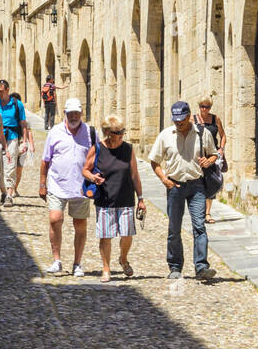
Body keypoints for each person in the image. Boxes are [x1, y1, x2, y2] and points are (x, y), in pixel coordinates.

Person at [149, 100, 219, 282]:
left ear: (189, 117)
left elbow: (214, 153)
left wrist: (209, 161)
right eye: (176, 120)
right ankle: (175, 266)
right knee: (174, 229)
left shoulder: (202, 133)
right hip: (175, 185)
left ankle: (202, 266)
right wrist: (164, 179)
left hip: (197, 185)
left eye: (182, 120)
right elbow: (154, 161)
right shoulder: (166, 135)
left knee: (199, 226)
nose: (178, 123)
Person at [82, 114, 144, 282]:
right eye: (118, 132)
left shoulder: (128, 149)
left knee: (127, 234)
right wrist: (93, 178)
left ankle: (123, 258)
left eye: (123, 131)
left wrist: (141, 198)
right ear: (108, 132)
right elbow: (85, 169)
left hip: (125, 198)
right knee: (106, 236)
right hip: (105, 199)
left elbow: (135, 175)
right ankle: (106, 268)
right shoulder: (98, 148)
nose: (122, 134)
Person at [39, 98, 93, 277]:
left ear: (81, 113)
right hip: (57, 184)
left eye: (77, 113)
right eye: (71, 114)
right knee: (55, 219)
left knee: (80, 225)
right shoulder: (55, 132)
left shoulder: (90, 132)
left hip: (81, 186)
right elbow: (45, 160)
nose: (74, 116)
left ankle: (77, 263)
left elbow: (97, 156)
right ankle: (57, 260)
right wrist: (42, 183)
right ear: (65, 113)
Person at [0, 79, 30, 204]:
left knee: (10, 165)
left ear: (7, 90)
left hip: (12, 138)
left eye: (1, 91)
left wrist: (24, 142)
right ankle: (3, 191)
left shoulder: (17, 104)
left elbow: (23, 124)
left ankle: (9, 194)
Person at [193, 96, 227, 222]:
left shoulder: (215, 119)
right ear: (199, 106)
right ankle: (199, 212)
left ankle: (207, 214)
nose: (204, 109)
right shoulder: (194, 119)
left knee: (211, 182)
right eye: (202, 106)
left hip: (212, 155)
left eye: (207, 107)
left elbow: (223, 136)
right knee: (199, 183)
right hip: (198, 155)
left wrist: (221, 149)